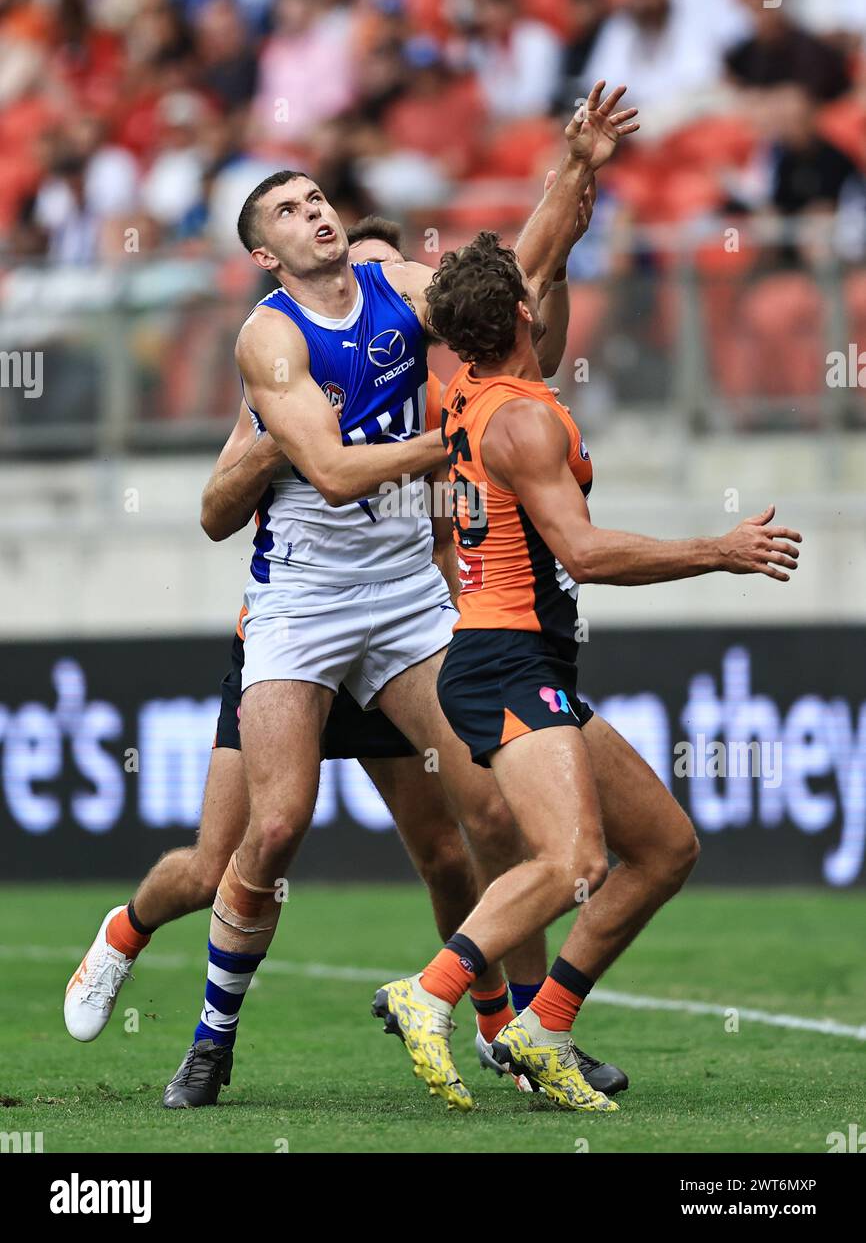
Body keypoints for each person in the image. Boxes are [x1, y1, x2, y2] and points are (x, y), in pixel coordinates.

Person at [158, 82, 639, 1108]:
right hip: (302, 602)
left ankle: (521, 1039)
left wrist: (576, 166)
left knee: (492, 817)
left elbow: (507, 280)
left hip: (407, 598)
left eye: (317, 199)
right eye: (286, 210)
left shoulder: (404, 286)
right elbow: (330, 472)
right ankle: (211, 1035)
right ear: (263, 254)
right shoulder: (269, 337)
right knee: (275, 826)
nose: (313, 213)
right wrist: (458, 440)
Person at [373, 230, 802, 1113]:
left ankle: (543, 1025)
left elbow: (533, 293)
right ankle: (433, 990)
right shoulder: (527, 418)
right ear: (523, 313)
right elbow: (583, 550)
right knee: (572, 860)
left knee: (664, 847)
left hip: (519, 659)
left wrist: (577, 185)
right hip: (505, 659)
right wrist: (716, 549)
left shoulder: (469, 391)